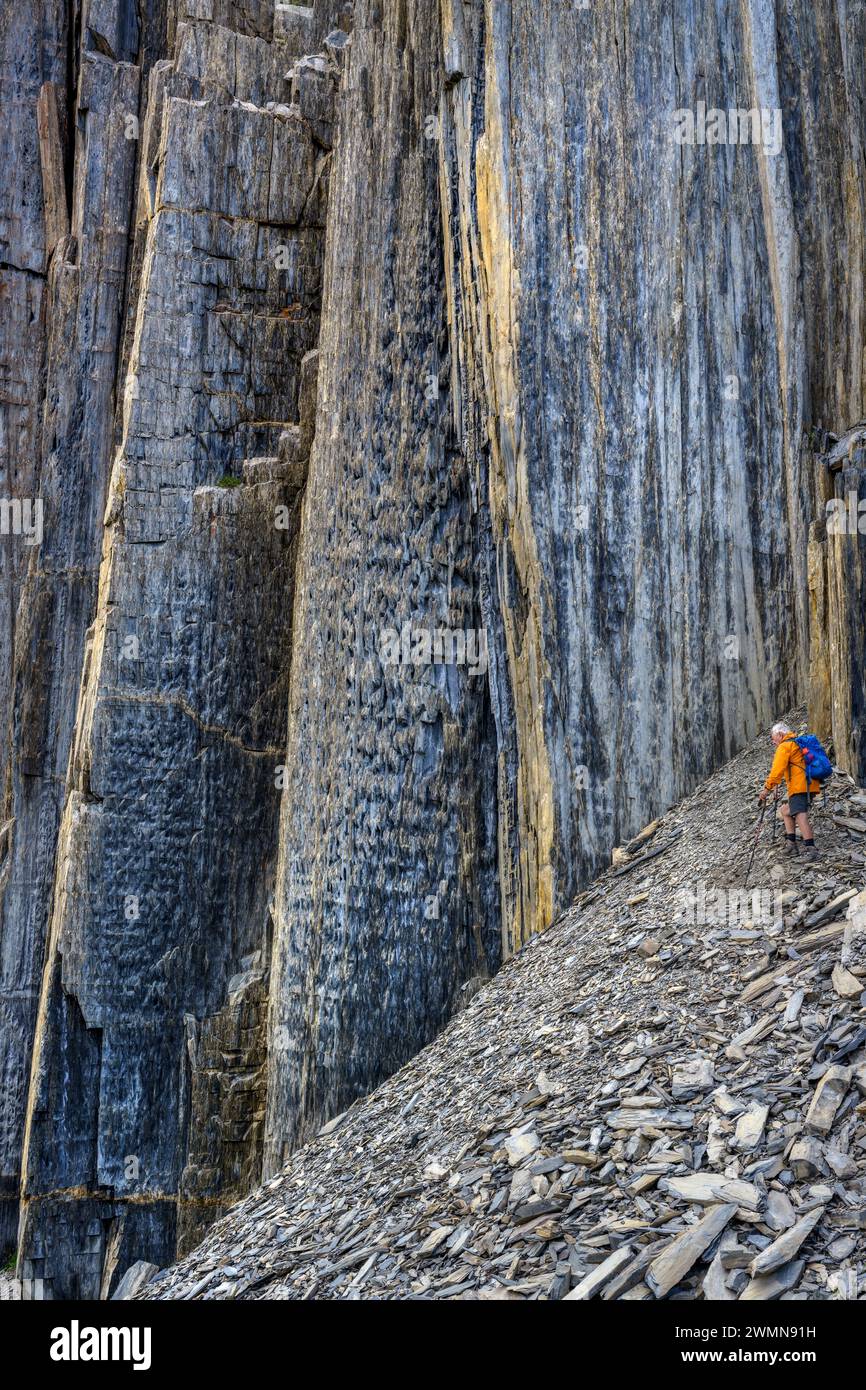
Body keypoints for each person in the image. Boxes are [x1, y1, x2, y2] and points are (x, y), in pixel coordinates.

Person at [758, 721, 820, 860]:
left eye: (774, 738)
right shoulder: (796, 742)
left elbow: (776, 771)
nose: (773, 742)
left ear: (780, 735)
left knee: (800, 815)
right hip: (809, 784)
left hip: (800, 786)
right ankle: (791, 844)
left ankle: (812, 850)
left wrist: (767, 789)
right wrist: (776, 786)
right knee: (785, 810)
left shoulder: (785, 746)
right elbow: (790, 767)